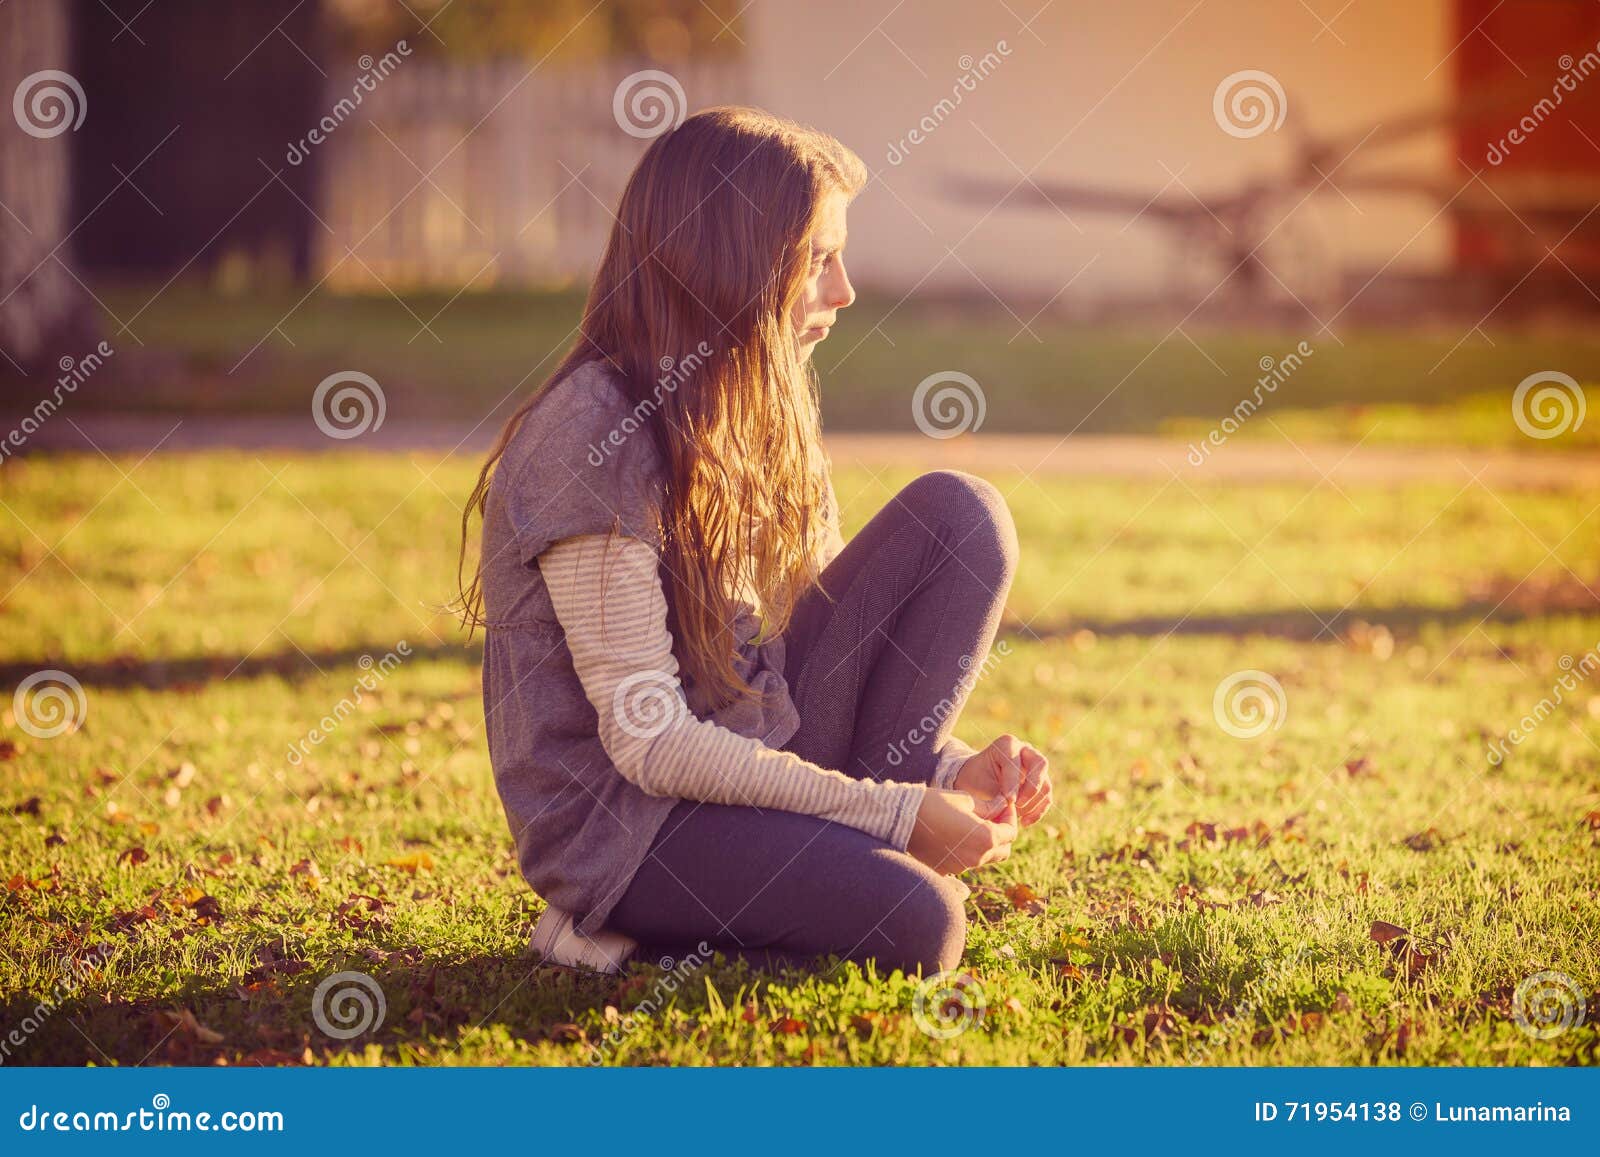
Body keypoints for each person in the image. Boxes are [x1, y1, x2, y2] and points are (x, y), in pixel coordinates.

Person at [456, 106, 1052, 977]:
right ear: (732, 265)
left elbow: (813, 654)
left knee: (963, 516)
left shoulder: (757, 409)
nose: (845, 291)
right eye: (818, 260)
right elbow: (649, 741)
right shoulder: (593, 434)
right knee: (920, 920)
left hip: (752, 757)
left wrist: (952, 767)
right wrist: (894, 818)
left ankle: (834, 862)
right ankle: (609, 933)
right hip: (633, 826)